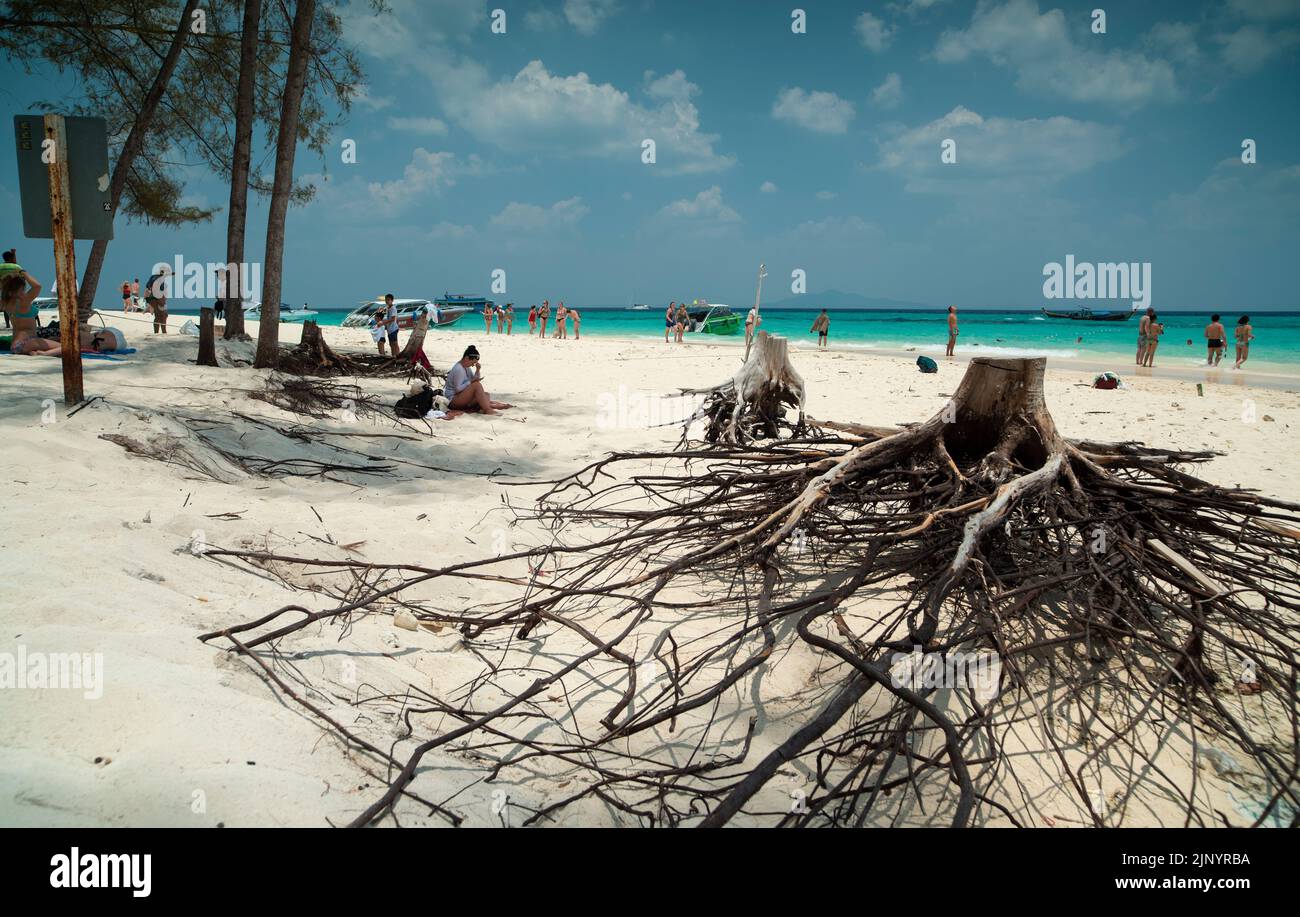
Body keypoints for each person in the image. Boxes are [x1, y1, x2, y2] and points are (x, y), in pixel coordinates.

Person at [444, 345, 512, 414]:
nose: (473, 365)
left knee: (485, 395)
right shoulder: (458, 369)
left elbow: (474, 379)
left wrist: (477, 370)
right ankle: (488, 410)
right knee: (477, 385)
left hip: (461, 396)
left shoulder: (466, 367)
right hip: (453, 400)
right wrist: (471, 382)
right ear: (466, 358)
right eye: (472, 363)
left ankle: (488, 407)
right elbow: (458, 389)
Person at [2, 261, 43, 350]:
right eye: (22, 289)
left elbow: (5, 288)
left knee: (54, 339)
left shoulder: (6, 302)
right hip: (27, 342)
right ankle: (44, 353)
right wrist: (23, 272)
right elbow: (37, 286)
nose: (24, 291)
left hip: (15, 344)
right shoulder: (23, 301)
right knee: (65, 346)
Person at [144, 265, 170, 333]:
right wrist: (161, 299)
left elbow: (148, 286)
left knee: (159, 315)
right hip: (157, 298)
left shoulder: (154, 277)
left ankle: (158, 332)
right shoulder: (158, 278)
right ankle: (162, 332)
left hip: (154, 298)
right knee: (162, 315)